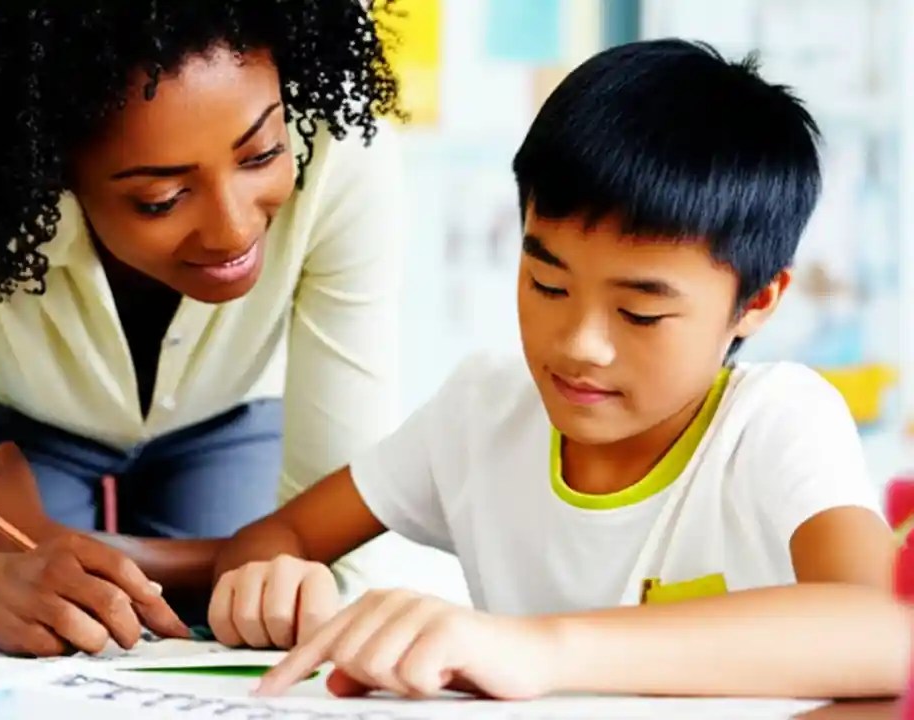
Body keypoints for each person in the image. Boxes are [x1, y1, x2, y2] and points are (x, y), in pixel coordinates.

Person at [207, 39, 908, 699]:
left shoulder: (774, 421)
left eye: (639, 314)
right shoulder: (482, 410)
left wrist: (540, 648)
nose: (581, 345)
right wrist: (273, 580)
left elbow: (891, 629)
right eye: (548, 286)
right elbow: (280, 536)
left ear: (756, 302)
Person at [0, 0, 417, 657]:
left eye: (261, 155)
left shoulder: (341, 150)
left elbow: (338, 563)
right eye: (159, 199)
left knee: (249, 626)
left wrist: (43, 542)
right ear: (49, 168)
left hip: (227, 414)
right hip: (17, 431)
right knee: (45, 635)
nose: (234, 230)